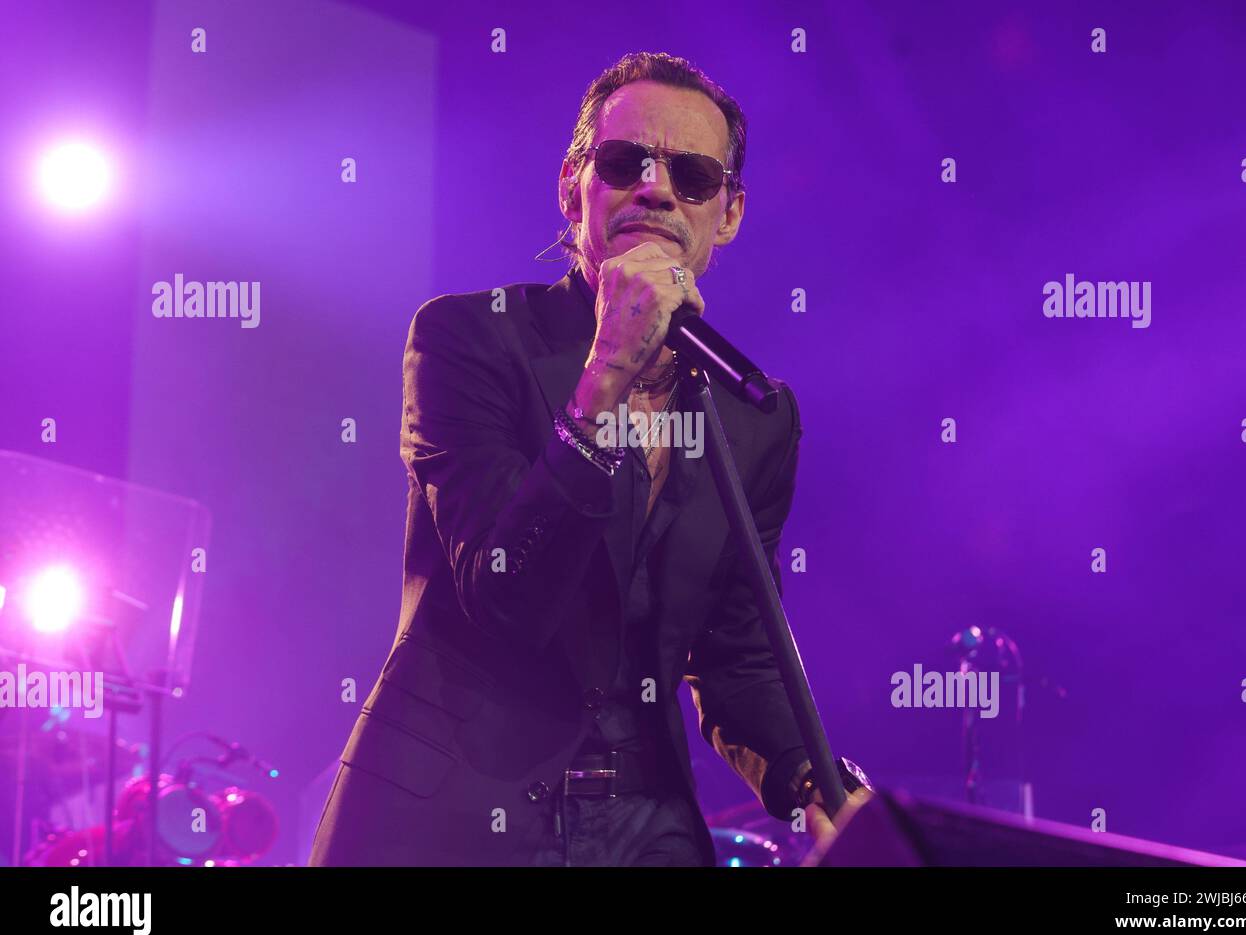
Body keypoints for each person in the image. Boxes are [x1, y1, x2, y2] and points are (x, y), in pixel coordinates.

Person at [309, 51, 868, 868]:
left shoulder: (756, 415)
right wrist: (607, 372)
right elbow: (505, 592)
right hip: (453, 815)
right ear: (574, 187)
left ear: (730, 212)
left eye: (693, 174)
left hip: (647, 827)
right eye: (623, 162)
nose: (655, 187)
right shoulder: (469, 339)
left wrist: (818, 782)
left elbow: (738, 648)